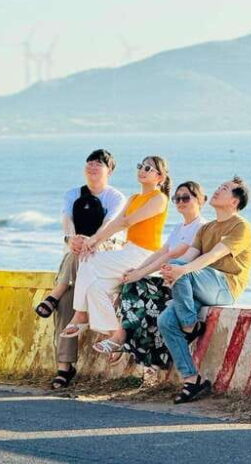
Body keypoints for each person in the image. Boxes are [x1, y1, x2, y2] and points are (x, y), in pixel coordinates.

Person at [34, 149, 126, 389]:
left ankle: (54, 294)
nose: (93, 166)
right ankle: (64, 367)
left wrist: (88, 242)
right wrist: (72, 239)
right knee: (66, 305)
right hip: (76, 259)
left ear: (110, 170)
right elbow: (67, 220)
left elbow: (111, 225)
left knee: (70, 280)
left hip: (105, 257)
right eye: (90, 162)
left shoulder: (116, 198)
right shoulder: (73, 194)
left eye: (99, 163)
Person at [61, 156, 171, 354]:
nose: (142, 170)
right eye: (140, 166)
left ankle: (80, 314)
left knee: (88, 259)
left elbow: (126, 222)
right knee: (95, 288)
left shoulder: (159, 198)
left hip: (145, 254)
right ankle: (116, 334)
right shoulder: (133, 198)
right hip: (129, 251)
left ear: (160, 177)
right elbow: (114, 223)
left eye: (148, 168)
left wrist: (92, 241)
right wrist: (96, 242)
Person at [158, 176, 251, 404]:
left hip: (225, 287)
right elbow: (190, 257)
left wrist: (180, 270)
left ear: (235, 201)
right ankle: (192, 380)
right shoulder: (206, 228)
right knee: (165, 321)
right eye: (219, 186)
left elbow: (213, 256)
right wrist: (170, 271)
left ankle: (190, 325)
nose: (218, 190)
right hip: (201, 284)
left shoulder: (241, 226)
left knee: (181, 268)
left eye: (225, 189)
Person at [116, 181, 208, 369]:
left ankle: (125, 339)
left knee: (135, 289)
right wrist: (137, 270)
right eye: (177, 198)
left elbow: (171, 255)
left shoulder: (201, 227)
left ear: (199, 200)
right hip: (168, 279)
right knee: (130, 289)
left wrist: (140, 274)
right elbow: (161, 252)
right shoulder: (179, 227)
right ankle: (133, 346)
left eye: (186, 197)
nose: (180, 202)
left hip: (183, 286)